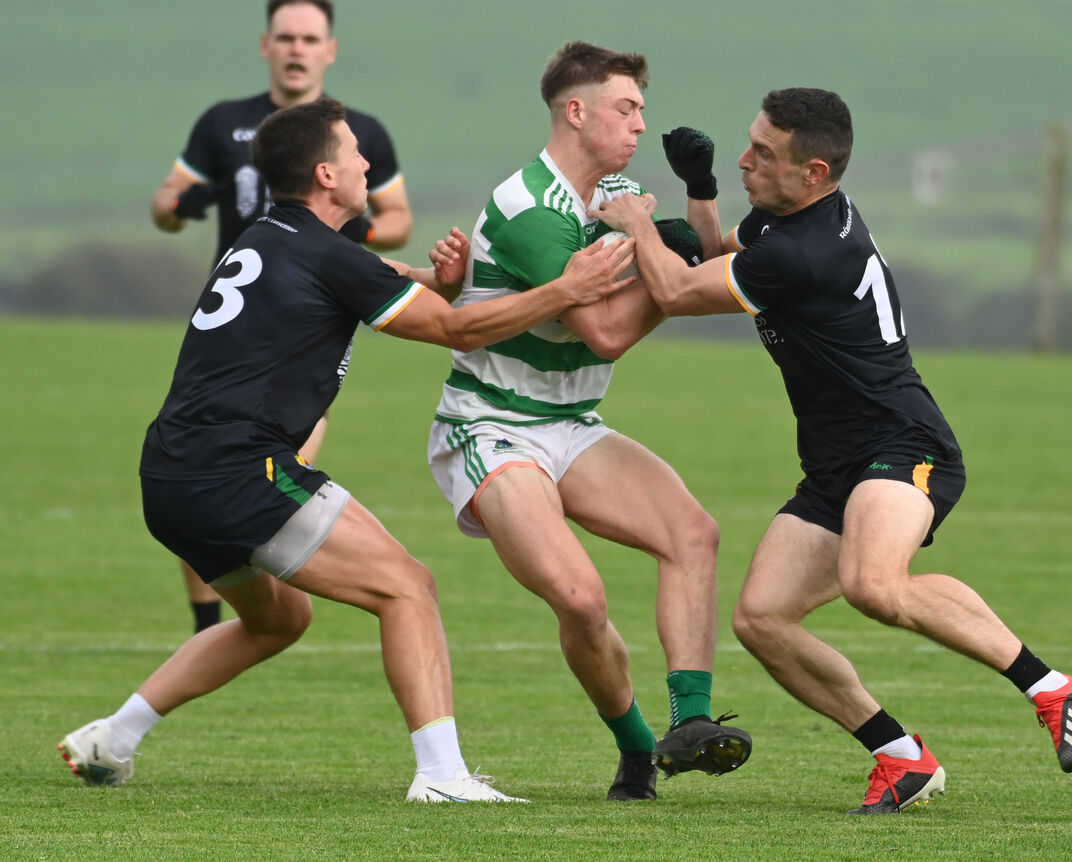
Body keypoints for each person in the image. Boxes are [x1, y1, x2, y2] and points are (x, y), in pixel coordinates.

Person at [59, 97, 635, 802]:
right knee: (408, 587)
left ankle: (112, 738)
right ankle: (442, 777)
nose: (367, 163)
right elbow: (456, 332)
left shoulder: (266, 235)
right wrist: (566, 289)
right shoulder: (328, 254)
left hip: (169, 476)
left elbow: (372, 281)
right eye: (355, 151)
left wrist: (439, 283)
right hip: (239, 471)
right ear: (326, 175)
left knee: (279, 620)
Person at [591, 88, 1072, 814]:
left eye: (763, 153)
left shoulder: (801, 252)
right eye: (749, 143)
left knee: (874, 584)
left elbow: (675, 291)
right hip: (837, 465)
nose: (745, 160)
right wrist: (700, 189)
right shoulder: (790, 220)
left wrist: (636, 221)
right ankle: (901, 757)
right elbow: (717, 257)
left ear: (815, 172)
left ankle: (1052, 687)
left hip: (903, 442)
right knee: (763, 619)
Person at [425, 41, 751, 803]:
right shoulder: (530, 208)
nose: (640, 124)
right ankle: (637, 750)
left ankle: (690, 724)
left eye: (641, 109)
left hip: (571, 422)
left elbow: (698, 260)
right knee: (580, 599)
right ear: (576, 111)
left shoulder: (617, 191)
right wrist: (659, 253)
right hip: (491, 425)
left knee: (693, 533)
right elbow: (605, 332)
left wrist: (697, 193)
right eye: (626, 108)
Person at [150, 0, 413, 634]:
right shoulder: (224, 124)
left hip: (311, 314)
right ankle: (210, 621)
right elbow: (164, 204)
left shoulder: (357, 133)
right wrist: (180, 206)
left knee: (266, 458)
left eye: (310, 38)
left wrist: (352, 235)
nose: (298, 48)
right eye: (287, 37)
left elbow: (399, 219)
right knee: (210, 453)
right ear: (266, 45)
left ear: (330, 50)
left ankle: (264, 583)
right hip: (237, 319)